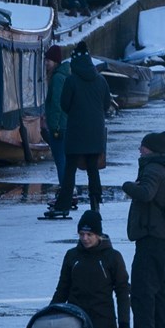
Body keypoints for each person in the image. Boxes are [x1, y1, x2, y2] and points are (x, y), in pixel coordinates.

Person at [118, 130, 165, 328]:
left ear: (150, 149)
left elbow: (145, 193)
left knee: (143, 294)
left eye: (142, 146)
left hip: (152, 241)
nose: (139, 150)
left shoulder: (153, 169)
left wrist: (127, 186)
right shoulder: (162, 167)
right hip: (161, 241)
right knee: (160, 294)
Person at [53, 42, 111, 217]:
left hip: (76, 132)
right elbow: (107, 105)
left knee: (70, 168)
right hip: (96, 132)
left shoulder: (71, 80)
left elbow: (64, 104)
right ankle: (95, 203)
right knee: (92, 168)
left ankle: (63, 205)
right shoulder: (101, 79)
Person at [37, 45, 70, 221]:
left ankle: (65, 195)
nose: (46, 63)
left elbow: (57, 104)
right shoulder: (64, 75)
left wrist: (54, 126)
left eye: (48, 60)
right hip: (65, 124)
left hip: (60, 126)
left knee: (61, 161)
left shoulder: (57, 78)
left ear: (55, 61)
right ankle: (68, 193)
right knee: (64, 160)